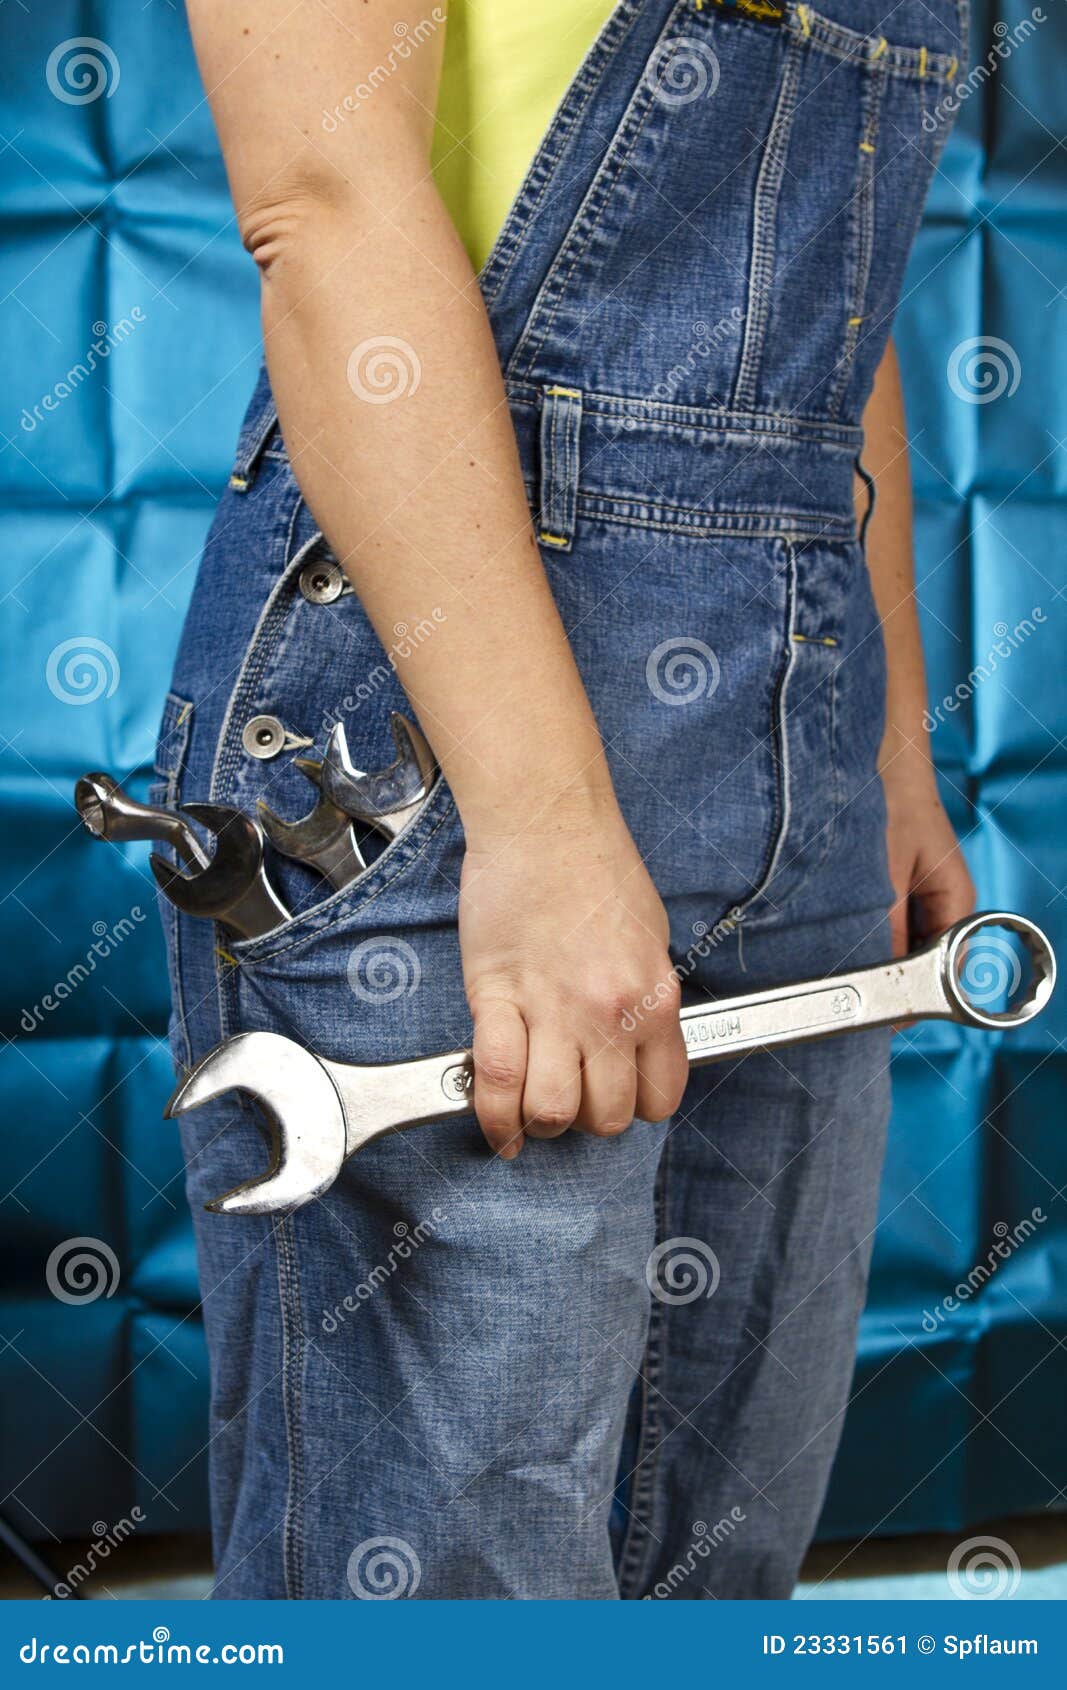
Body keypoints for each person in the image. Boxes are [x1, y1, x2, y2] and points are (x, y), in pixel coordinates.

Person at [163, 0, 973, 1598]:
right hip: (444, 742)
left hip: (798, 736)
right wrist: (539, 821)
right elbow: (322, 206)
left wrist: (885, 756)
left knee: (714, 1577)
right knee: (455, 1600)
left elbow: (835, 303)